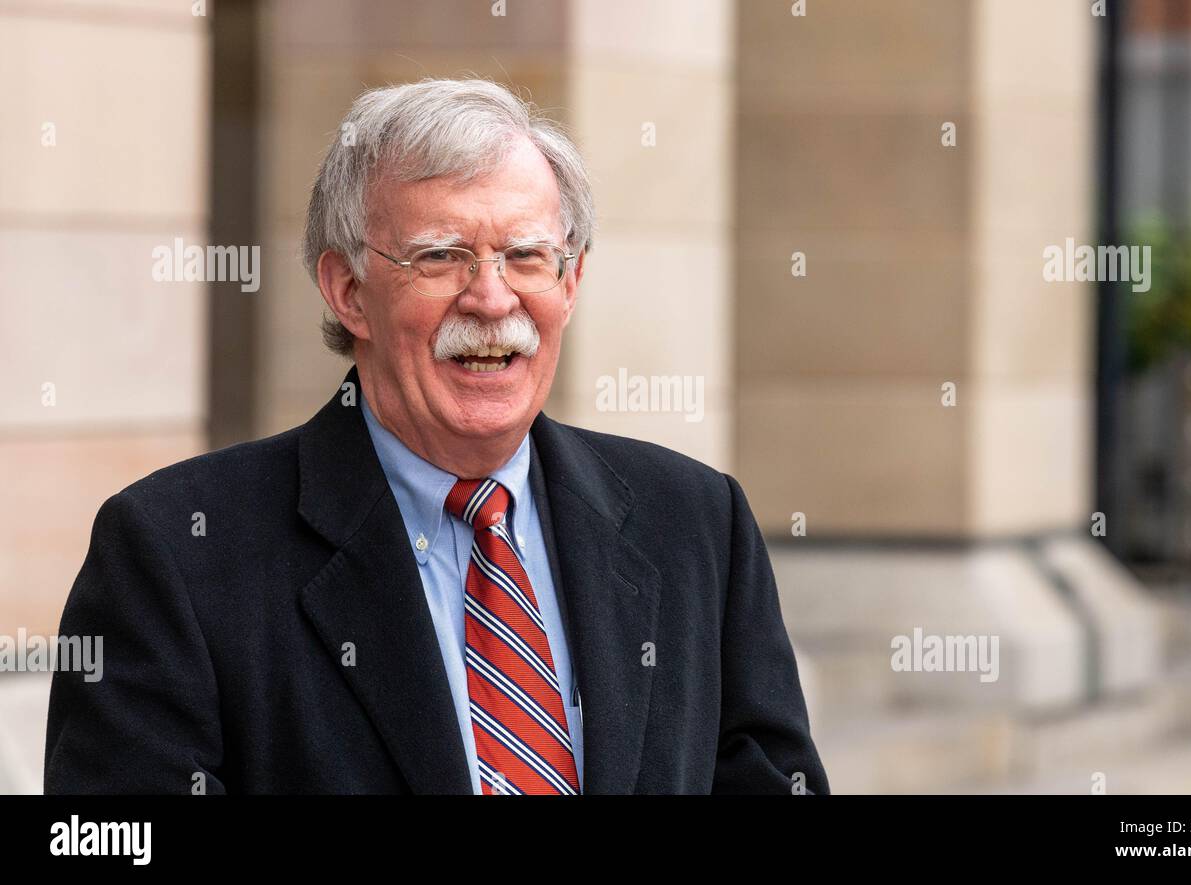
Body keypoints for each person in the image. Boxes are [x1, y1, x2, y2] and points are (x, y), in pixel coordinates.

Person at [44, 77, 828, 795]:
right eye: (442, 256)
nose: (491, 299)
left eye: (526, 255)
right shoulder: (175, 551)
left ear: (571, 281)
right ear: (348, 291)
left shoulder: (695, 521)